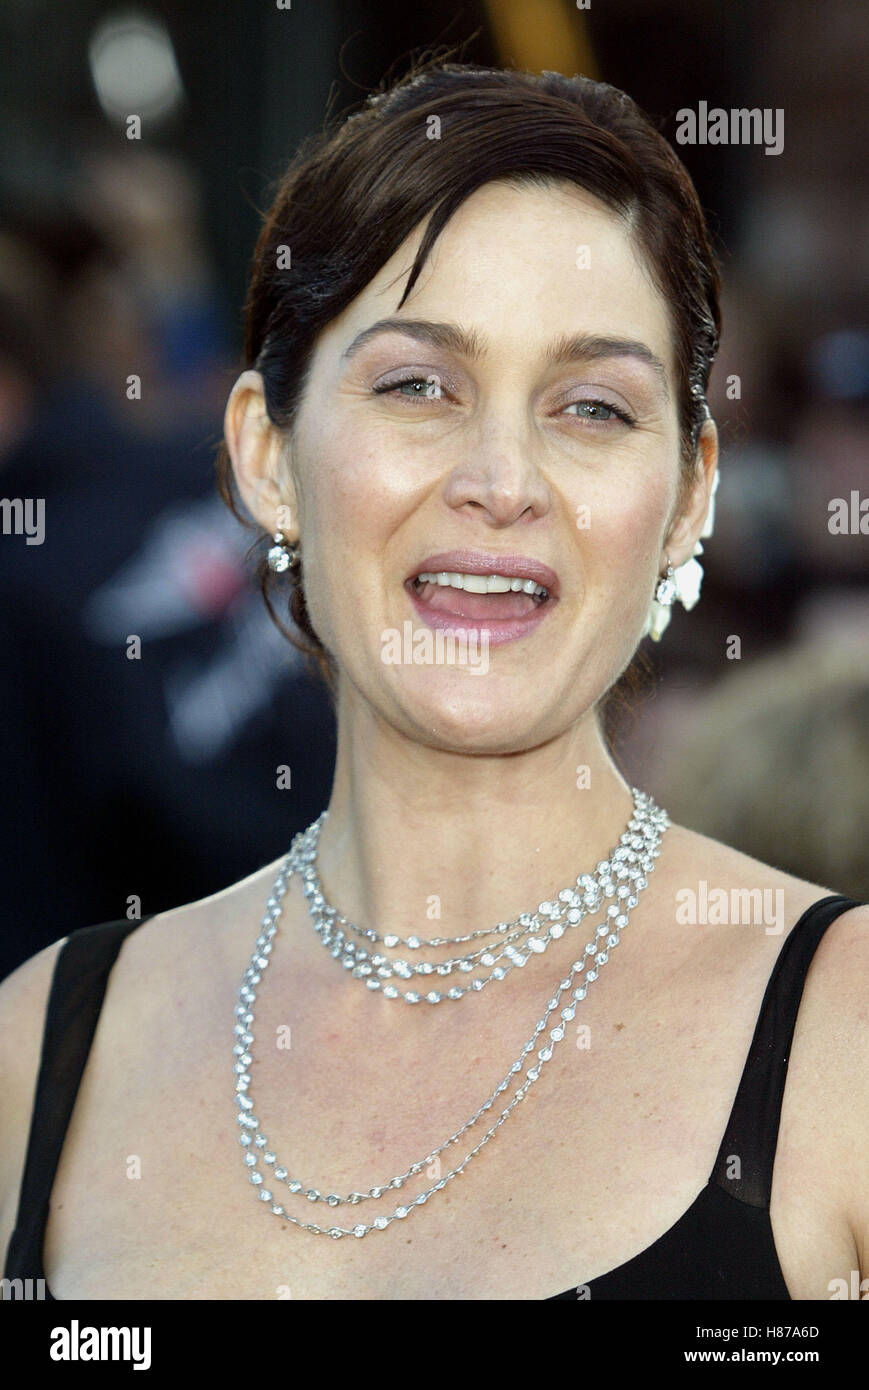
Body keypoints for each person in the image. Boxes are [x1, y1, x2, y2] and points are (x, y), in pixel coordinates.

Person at [2, 61, 866, 1302]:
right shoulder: (43, 1057)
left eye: (591, 406)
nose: (500, 477)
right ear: (265, 454)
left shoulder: (847, 1038)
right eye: (416, 384)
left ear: (686, 494)